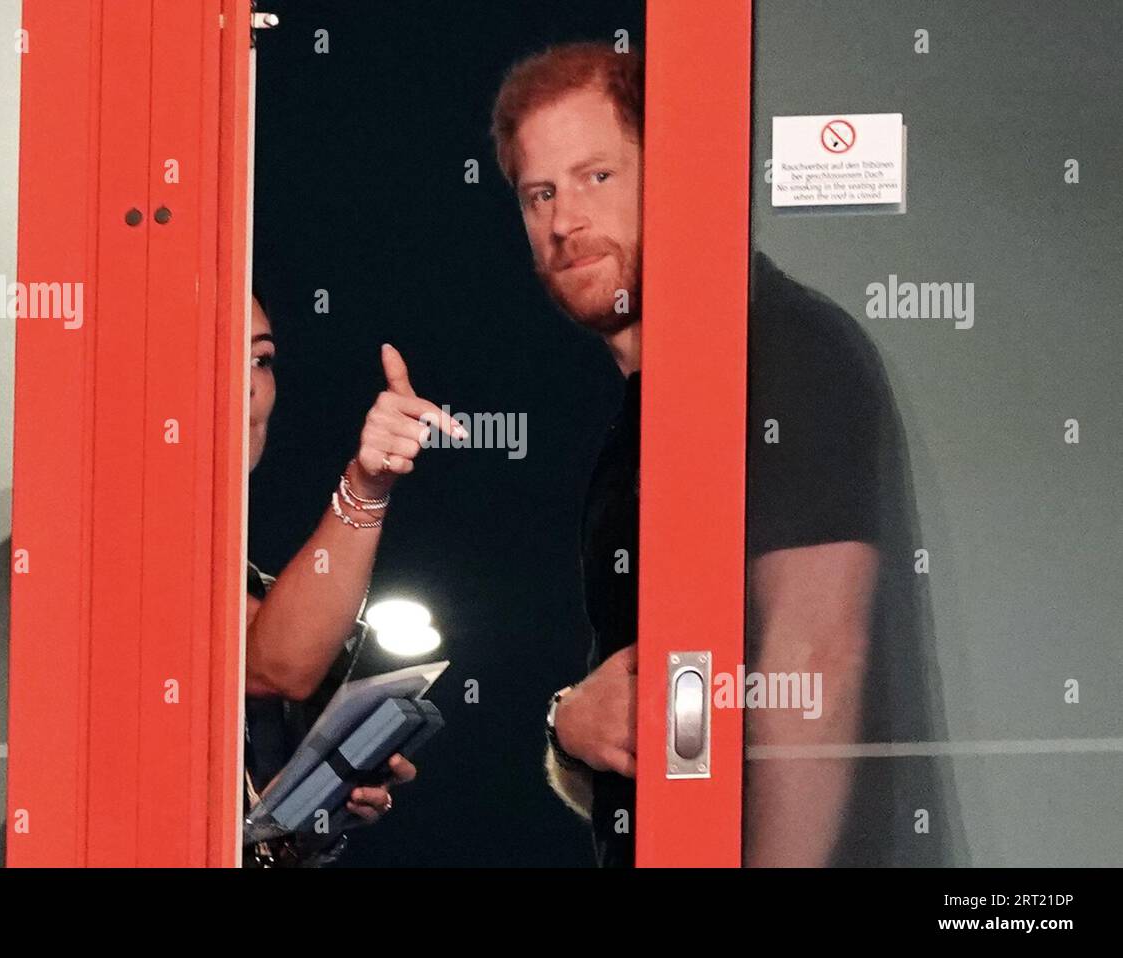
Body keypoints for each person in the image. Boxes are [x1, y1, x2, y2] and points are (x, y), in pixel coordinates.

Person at [490, 42, 964, 867]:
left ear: (670, 168)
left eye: (597, 176)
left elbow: (816, 660)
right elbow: (665, 739)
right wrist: (567, 728)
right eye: (541, 193)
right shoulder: (652, 413)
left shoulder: (779, 347)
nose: (565, 221)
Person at [241, 293, 464, 867]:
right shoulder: (109, 525)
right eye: (219, 354)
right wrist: (364, 487)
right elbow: (275, 665)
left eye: (260, 360)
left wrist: (318, 812)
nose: (248, 386)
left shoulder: (251, 585)